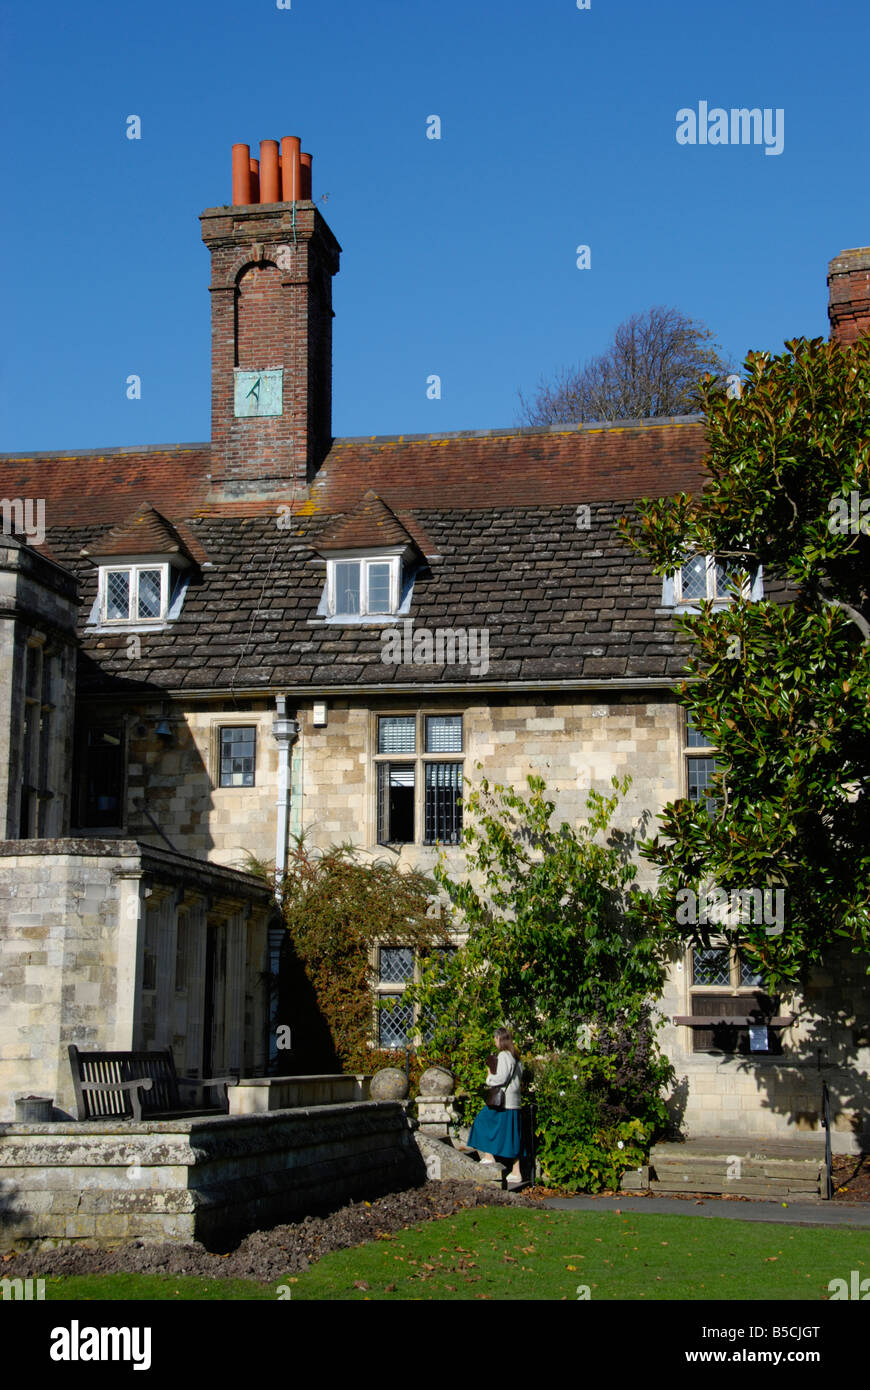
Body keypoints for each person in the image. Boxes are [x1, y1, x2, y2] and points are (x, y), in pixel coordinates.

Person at [467, 1027, 524, 1184]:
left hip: (503, 1102)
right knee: (511, 1136)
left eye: (495, 1039)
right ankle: (515, 1170)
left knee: (481, 1121)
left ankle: (489, 1156)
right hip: (514, 1102)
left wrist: (489, 1076)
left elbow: (501, 1078)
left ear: (500, 1039)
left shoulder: (504, 1055)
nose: (494, 1042)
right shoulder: (517, 1058)